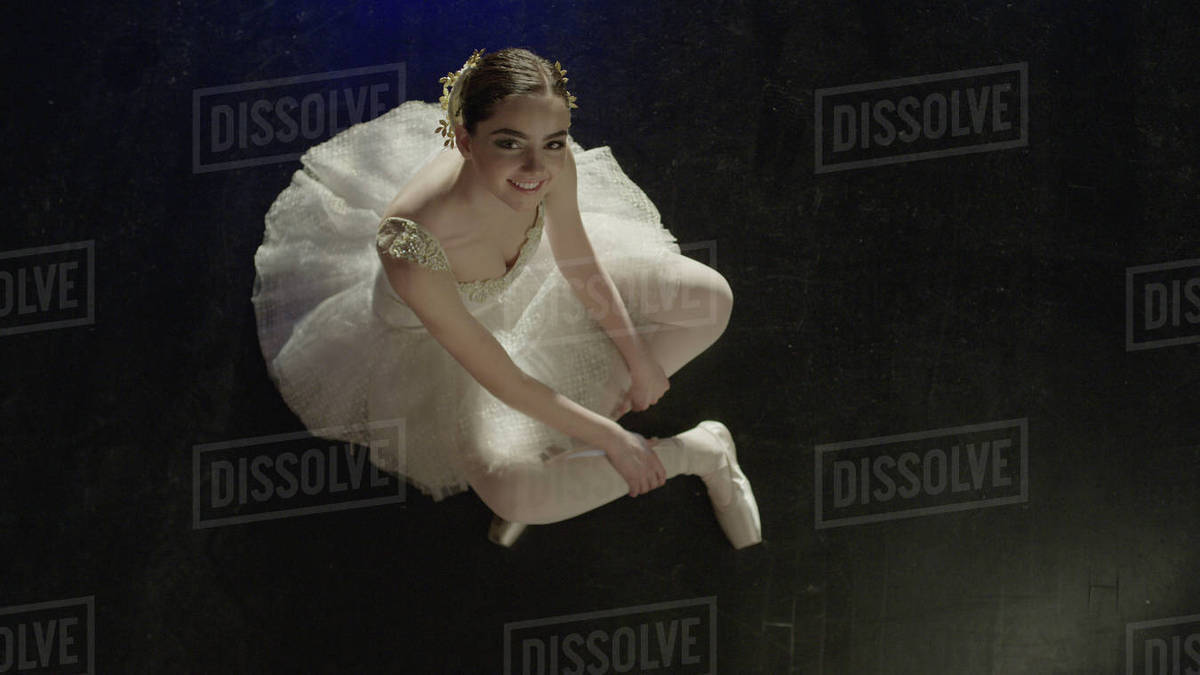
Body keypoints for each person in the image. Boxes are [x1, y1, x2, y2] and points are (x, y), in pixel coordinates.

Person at [251, 47, 761, 548]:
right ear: (464, 139)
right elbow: (502, 376)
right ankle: (703, 452)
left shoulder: (549, 167)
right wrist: (615, 440)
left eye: (554, 142)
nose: (537, 167)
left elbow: (578, 264)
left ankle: (558, 448)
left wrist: (636, 356)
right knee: (518, 498)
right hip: (451, 356)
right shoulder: (409, 241)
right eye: (510, 143)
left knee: (708, 300)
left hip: (532, 291)